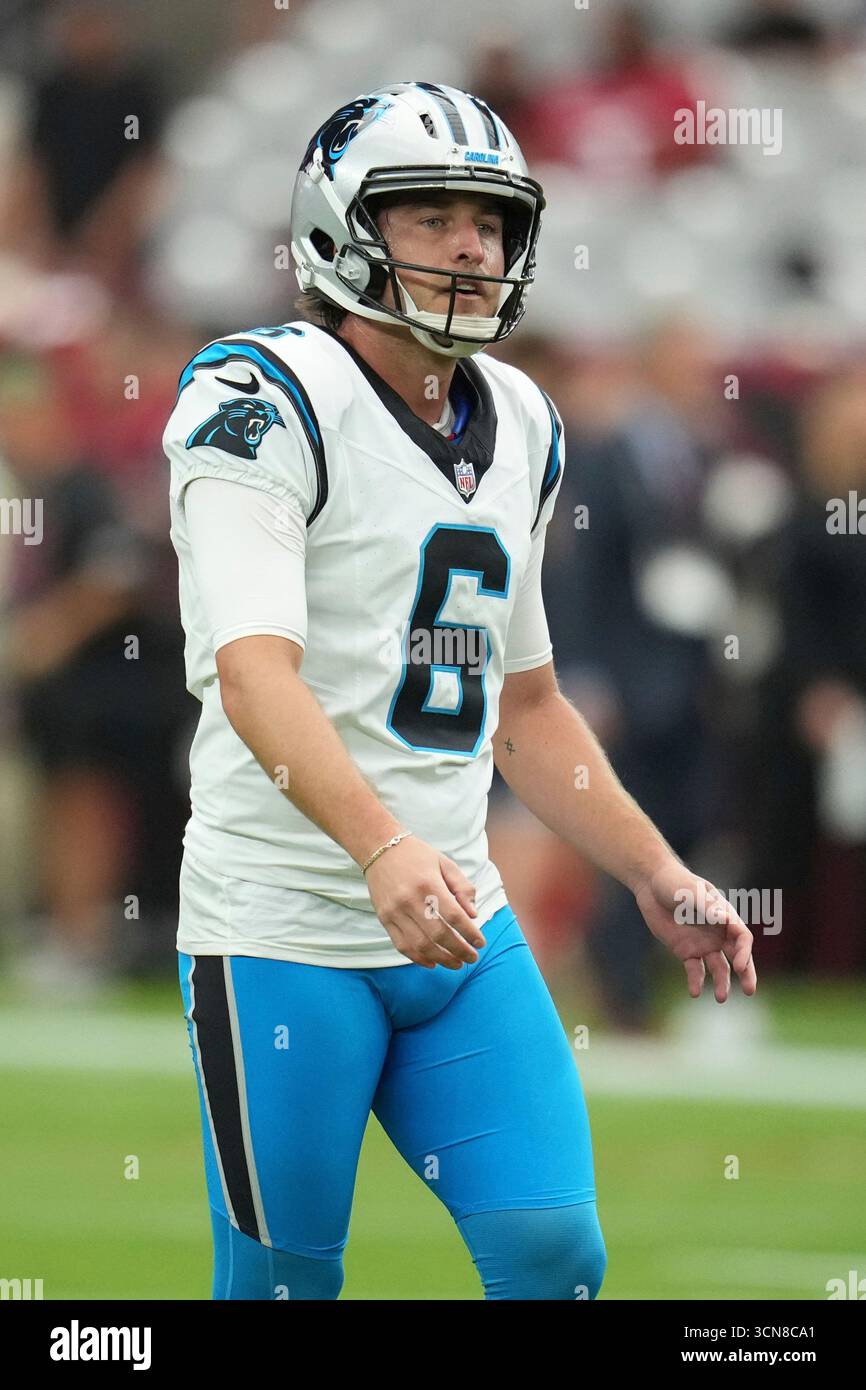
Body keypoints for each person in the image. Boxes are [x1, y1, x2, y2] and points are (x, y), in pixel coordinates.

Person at [162, 82, 757, 1301]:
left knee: (553, 1255)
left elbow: (523, 705)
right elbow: (251, 672)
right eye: (429, 215)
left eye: (488, 220)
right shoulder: (261, 397)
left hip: (459, 926)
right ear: (341, 227)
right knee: (280, 1281)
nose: (470, 245)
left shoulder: (523, 418)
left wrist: (653, 871)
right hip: (283, 929)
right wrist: (380, 847)